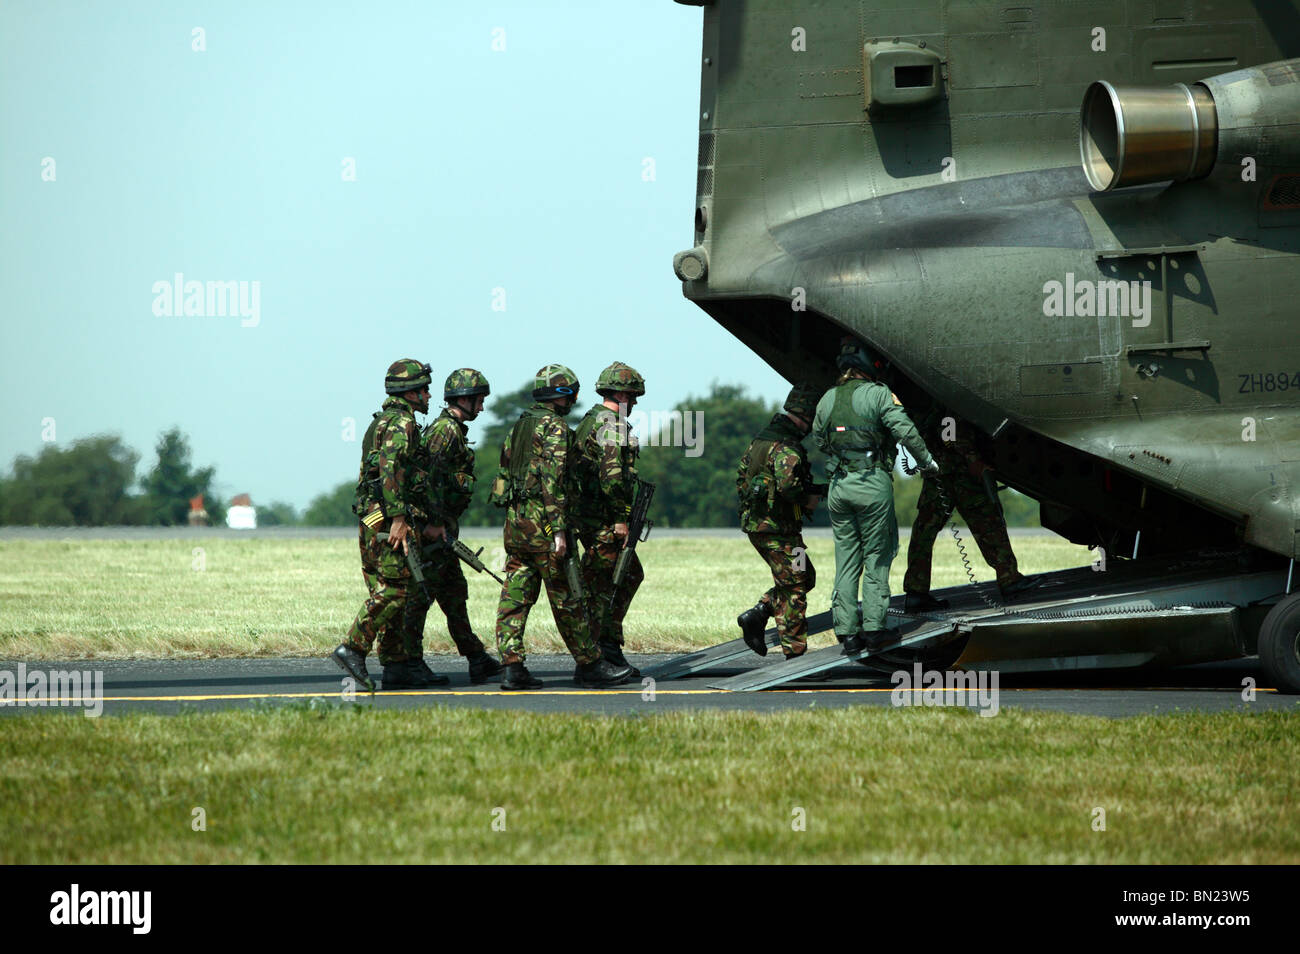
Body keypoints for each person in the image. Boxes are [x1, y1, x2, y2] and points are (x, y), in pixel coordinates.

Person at [489, 363, 633, 690]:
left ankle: (511, 665)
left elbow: (504, 475)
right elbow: (552, 481)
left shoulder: (520, 426)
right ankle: (590, 665)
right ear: (563, 395)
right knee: (569, 596)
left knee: (516, 594)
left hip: (516, 525)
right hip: (544, 527)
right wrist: (559, 530)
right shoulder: (554, 428)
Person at [812, 340, 939, 655]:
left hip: (839, 487)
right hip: (872, 485)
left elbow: (818, 437)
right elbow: (906, 432)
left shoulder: (827, 399)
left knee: (846, 560)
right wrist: (927, 462)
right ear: (871, 366)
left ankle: (846, 631)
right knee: (878, 557)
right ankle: (874, 629)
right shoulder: (880, 394)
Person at [331, 358, 433, 691]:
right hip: (389, 520)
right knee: (396, 589)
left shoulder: (380, 422)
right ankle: (354, 648)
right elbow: (392, 472)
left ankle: (396, 665)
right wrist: (400, 519)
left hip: (372, 517)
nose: (430, 395)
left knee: (393, 589)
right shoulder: (402, 423)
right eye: (425, 389)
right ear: (411, 392)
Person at [401, 368, 505, 684]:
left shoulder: (454, 431)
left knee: (454, 593)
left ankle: (476, 658)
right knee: (419, 598)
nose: (483, 407)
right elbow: (424, 481)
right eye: (479, 401)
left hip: (442, 532)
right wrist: (432, 524)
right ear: (464, 399)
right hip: (431, 533)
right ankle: (409, 664)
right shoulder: (445, 433)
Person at [902, 408, 1040, 611]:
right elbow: (951, 429)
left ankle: (916, 592)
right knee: (988, 523)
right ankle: (1009, 579)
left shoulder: (929, 398)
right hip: (961, 472)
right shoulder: (949, 398)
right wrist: (973, 459)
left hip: (938, 472)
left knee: (925, 530)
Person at [735, 382, 825, 659]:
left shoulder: (762, 439)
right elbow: (788, 486)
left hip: (766, 527)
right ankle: (795, 654)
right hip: (777, 531)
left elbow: (741, 478)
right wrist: (807, 498)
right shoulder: (787, 446)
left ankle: (759, 613)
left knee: (803, 576)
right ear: (807, 416)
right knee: (795, 587)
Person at [573, 361, 647, 677]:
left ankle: (607, 649)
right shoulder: (611, 424)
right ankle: (598, 655)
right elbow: (613, 477)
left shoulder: (590, 421)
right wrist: (620, 518)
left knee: (612, 581)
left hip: (589, 518)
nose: (636, 402)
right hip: (602, 521)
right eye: (632, 395)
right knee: (610, 583)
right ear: (619, 393)